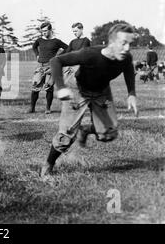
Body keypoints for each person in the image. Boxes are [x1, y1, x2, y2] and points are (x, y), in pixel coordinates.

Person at [40, 23, 138, 177]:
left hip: (101, 91)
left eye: (130, 44)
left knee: (108, 133)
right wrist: (61, 87)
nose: (127, 49)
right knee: (66, 136)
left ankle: (85, 130)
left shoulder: (125, 57)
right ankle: (48, 165)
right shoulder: (90, 54)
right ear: (112, 42)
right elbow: (56, 61)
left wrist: (131, 93)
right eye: (123, 43)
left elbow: (128, 70)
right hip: (78, 89)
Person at [28, 22, 68, 114]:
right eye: (42, 31)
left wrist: (58, 57)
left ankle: (48, 108)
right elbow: (34, 47)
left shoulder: (56, 41)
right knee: (35, 86)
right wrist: (37, 54)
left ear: (50, 30)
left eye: (45, 31)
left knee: (48, 88)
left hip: (51, 67)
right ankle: (32, 108)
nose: (44, 33)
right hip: (40, 66)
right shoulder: (39, 40)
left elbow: (68, 48)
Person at [63, 22, 91, 86]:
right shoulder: (72, 41)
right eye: (73, 31)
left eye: (76, 31)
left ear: (81, 29)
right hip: (70, 66)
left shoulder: (86, 40)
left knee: (77, 85)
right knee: (65, 84)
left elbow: (81, 54)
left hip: (80, 67)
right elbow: (67, 53)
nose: (74, 33)